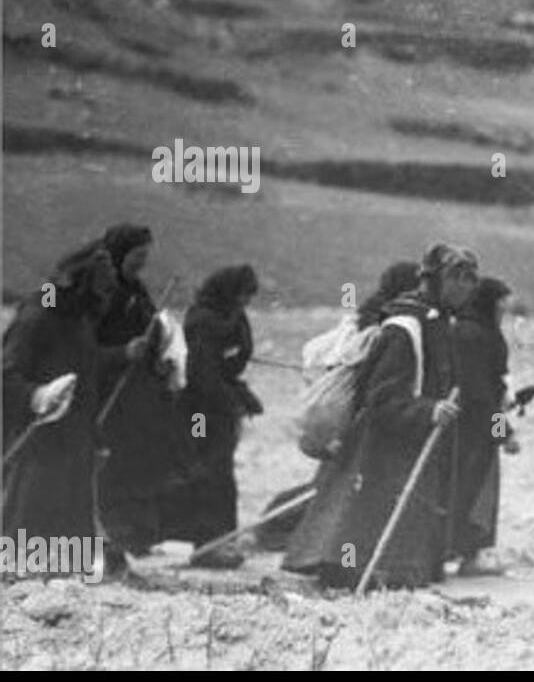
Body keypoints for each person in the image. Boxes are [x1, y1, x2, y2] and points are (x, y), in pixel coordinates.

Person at [283, 243, 478, 589]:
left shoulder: (440, 324)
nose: (465, 286)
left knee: (401, 531)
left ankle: (393, 576)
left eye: (470, 279)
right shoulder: (405, 330)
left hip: (412, 447)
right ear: (433, 280)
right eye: (456, 277)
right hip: (381, 453)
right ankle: (346, 577)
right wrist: (428, 410)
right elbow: (382, 398)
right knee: (358, 530)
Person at [256, 261, 421, 551]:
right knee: (335, 483)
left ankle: (286, 528)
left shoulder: (372, 313)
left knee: (333, 481)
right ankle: (278, 526)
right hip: (357, 414)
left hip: (348, 414)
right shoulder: (387, 323)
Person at [3, 242, 138, 578]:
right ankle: (21, 572)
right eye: (100, 289)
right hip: (42, 438)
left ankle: (64, 570)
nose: (104, 300)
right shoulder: (37, 316)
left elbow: (86, 364)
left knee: (72, 506)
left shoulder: (76, 318)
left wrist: (124, 353)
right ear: (79, 283)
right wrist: (37, 395)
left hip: (75, 436)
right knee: (36, 504)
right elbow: (6, 375)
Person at [162, 264, 261, 568]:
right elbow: (202, 374)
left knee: (220, 470)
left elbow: (231, 358)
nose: (245, 302)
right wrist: (230, 401)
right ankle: (207, 542)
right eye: (242, 295)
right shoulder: (203, 320)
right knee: (208, 468)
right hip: (199, 412)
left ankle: (219, 538)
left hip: (220, 407)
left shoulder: (231, 315)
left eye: (249, 297)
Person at [95, 223, 185, 555]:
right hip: (108, 391)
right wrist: (122, 353)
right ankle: (114, 535)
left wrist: (155, 359)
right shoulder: (103, 291)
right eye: (136, 256)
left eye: (145, 256)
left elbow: (151, 333)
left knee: (143, 461)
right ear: (119, 253)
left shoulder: (137, 289)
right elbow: (85, 345)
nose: (141, 263)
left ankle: (139, 535)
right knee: (115, 463)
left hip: (138, 392)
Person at [450, 276, 516, 576]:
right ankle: (470, 556)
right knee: (474, 491)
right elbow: (480, 395)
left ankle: (461, 553)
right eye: (502, 304)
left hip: (469, 427)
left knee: (464, 489)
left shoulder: (471, 329)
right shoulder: (476, 334)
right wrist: (505, 434)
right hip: (474, 431)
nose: (505, 311)